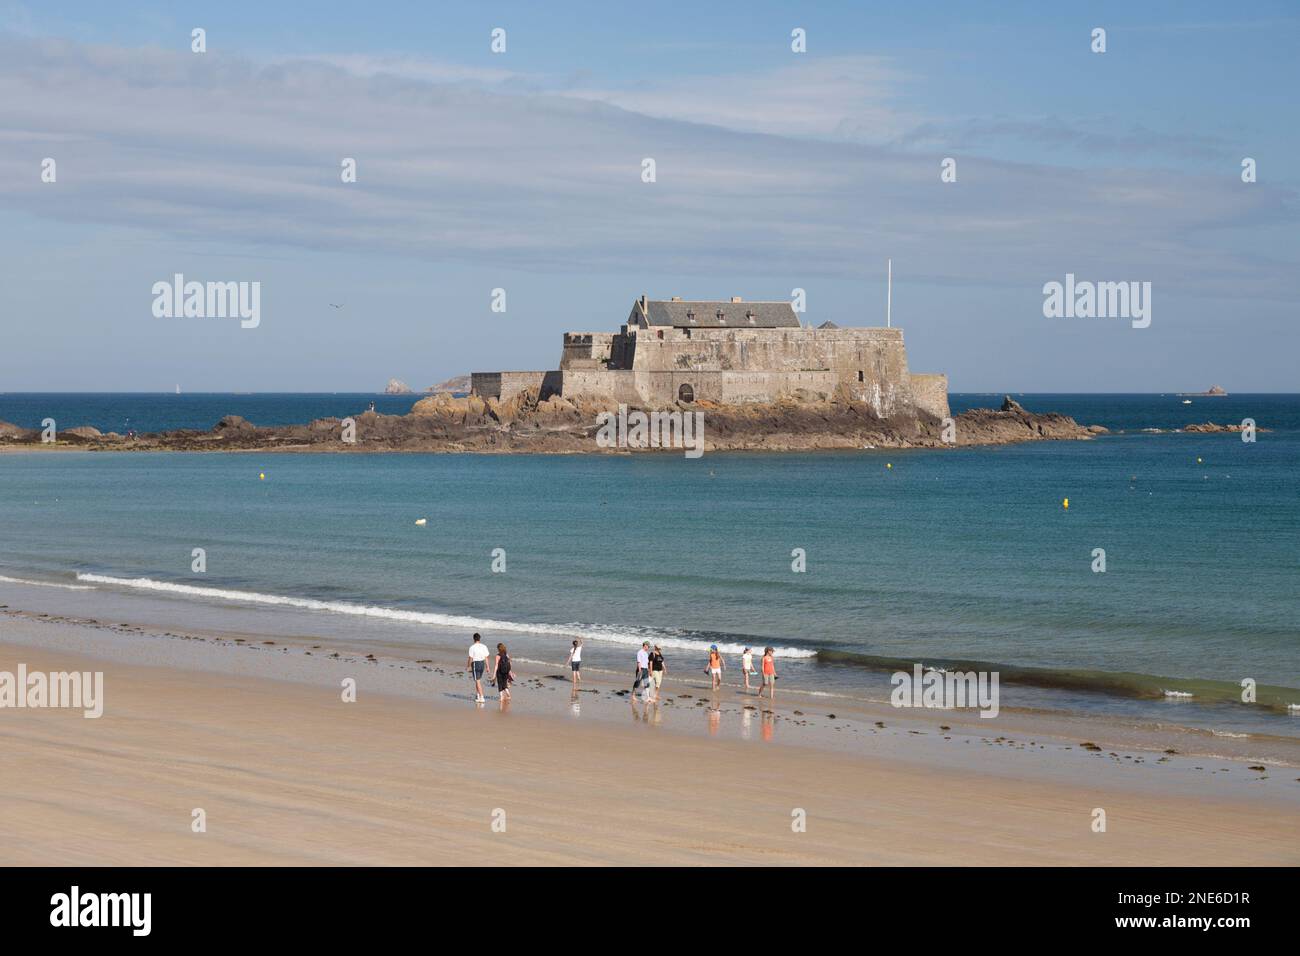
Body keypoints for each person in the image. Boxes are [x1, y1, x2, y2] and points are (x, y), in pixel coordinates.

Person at [467, 632, 489, 703]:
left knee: (477, 681)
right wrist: (488, 667)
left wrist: (468, 666)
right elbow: (486, 658)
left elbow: (470, 658)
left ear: (474, 639)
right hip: (482, 663)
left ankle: (482, 697)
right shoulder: (484, 646)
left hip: (475, 664)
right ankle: (478, 696)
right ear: (479, 638)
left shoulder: (472, 647)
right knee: (478, 680)